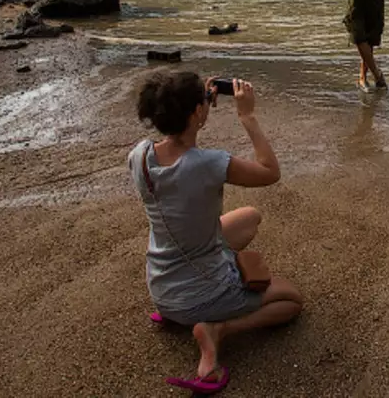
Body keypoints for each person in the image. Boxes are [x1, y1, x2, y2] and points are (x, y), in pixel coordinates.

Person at [128, 71, 303, 391]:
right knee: (291, 300)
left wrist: (199, 104)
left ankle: (186, 310)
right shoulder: (208, 164)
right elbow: (270, 172)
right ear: (196, 113)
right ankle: (217, 329)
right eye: (202, 105)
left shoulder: (139, 155)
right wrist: (247, 115)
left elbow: (183, 158)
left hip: (161, 285)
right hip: (198, 296)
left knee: (249, 217)